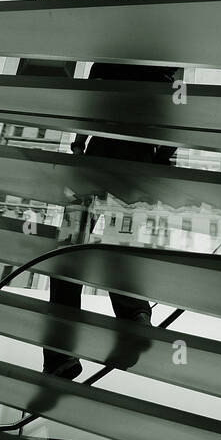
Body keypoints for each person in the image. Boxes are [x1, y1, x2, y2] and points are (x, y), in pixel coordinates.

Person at [41, 62, 178, 383]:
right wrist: (159, 157)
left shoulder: (111, 53)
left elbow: (92, 98)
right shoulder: (167, 64)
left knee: (68, 250)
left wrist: (78, 142)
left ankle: (60, 353)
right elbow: (174, 110)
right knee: (119, 241)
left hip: (99, 154)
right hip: (137, 161)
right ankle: (135, 317)